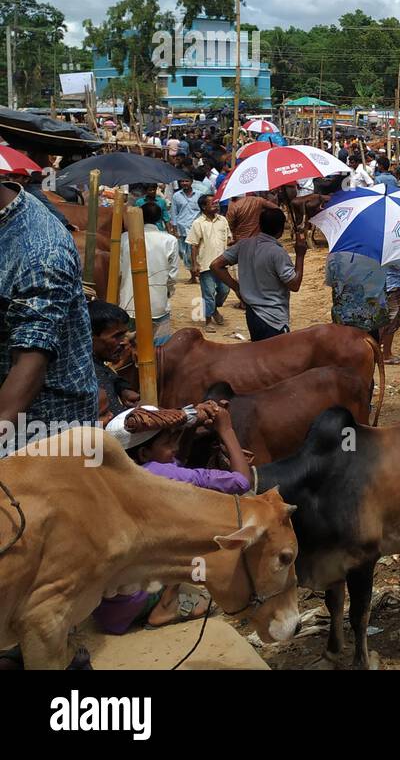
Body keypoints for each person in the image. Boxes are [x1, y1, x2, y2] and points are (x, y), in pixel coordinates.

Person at [95, 401, 252, 632]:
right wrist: (226, 430)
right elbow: (241, 482)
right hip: (135, 601)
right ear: (144, 452)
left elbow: (178, 460)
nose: (175, 446)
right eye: (169, 442)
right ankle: (166, 604)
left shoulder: (115, 471)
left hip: (106, 607)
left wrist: (188, 422)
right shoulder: (160, 473)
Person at [210, 206, 308, 341]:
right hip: (273, 318)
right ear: (280, 230)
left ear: (260, 225)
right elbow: (294, 284)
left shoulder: (243, 245)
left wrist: (236, 288)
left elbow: (216, 265)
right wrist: (300, 255)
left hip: (252, 314)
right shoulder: (277, 252)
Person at [118, 200, 179, 345]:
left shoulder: (124, 238)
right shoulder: (169, 240)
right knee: (159, 347)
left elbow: (119, 271)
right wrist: (167, 292)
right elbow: (172, 274)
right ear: (159, 218)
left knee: (128, 347)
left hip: (128, 301)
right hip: (158, 303)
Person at [187, 194, 233, 327]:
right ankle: (208, 321)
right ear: (203, 207)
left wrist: (232, 243)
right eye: (213, 203)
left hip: (222, 264)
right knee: (209, 294)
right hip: (206, 265)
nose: (216, 205)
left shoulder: (223, 220)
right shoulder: (198, 223)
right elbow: (194, 245)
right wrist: (195, 264)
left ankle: (213, 309)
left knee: (224, 290)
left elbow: (228, 238)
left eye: (217, 203)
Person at [89, 300, 139, 422]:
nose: (124, 342)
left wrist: (122, 388)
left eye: (124, 335)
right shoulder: (88, 373)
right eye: (117, 336)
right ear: (90, 337)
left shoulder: (95, 362)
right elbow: (117, 422)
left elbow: (108, 374)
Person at [171, 178, 201, 282]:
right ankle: (193, 272)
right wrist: (174, 229)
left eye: (186, 181)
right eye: (182, 181)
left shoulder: (199, 195)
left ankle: (195, 274)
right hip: (182, 227)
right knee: (182, 252)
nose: (184, 183)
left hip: (195, 227)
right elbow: (174, 213)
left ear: (192, 182)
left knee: (193, 252)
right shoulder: (176, 196)